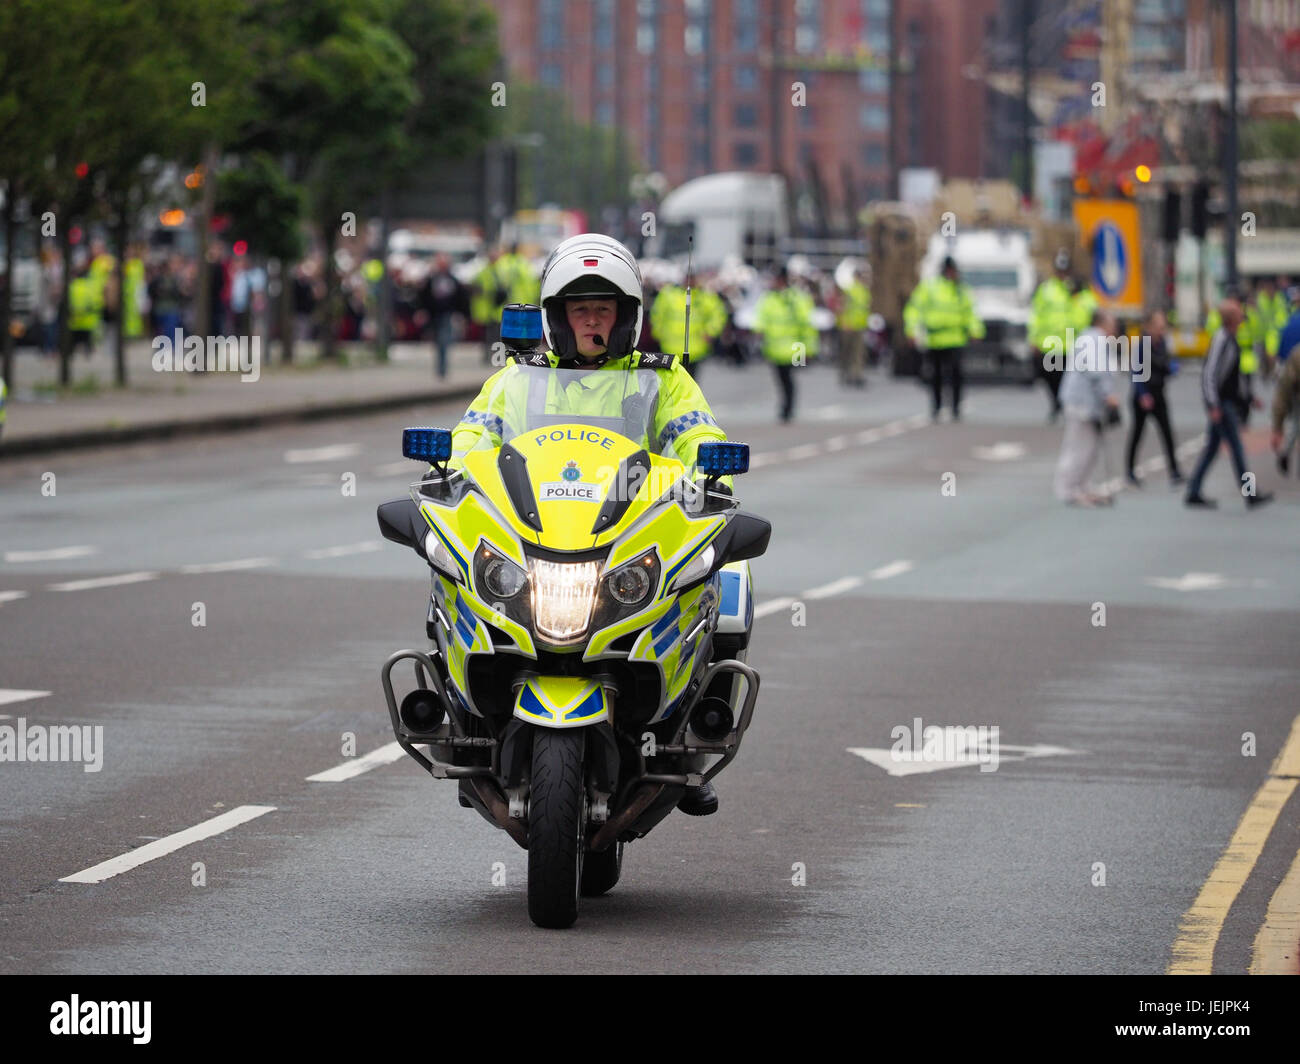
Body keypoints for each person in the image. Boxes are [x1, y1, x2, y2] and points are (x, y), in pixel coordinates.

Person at [451, 233, 729, 816]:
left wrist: (710, 465)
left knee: (729, 577)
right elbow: (475, 436)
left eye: (604, 309)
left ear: (627, 317)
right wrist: (452, 472)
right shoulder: (517, 379)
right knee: (451, 561)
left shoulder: (664, 379)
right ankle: (465, 718)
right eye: (581, 310)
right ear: (557, 318)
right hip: (544, 532)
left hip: (628, 534)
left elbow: (696, 433)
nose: (593, 321)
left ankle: (693, 744)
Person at [1184, 297, 1274, 510]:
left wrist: (1250, 397)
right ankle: (1250, 494)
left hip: (1226, 402)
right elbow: (1209, 374)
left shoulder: (1232, 339)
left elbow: (1235, 376)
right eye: (1239, 312)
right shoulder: (1222, 339)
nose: (1243, 314)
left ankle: (1193, 490)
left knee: (1212, 449)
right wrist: (1212, 404)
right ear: (1233, 318)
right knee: (1237, 449)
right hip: (1223, 404)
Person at [1053, 309, 1122, 507]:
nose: (1115, 328)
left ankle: (1082, 485)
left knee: (1090, 447)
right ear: (1102, 323)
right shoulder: (1094, 340)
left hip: (1087, 403)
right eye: (1112, 323)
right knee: (1079, 447)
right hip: (1081, 403)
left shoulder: (1094, 340)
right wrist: (1108, 394)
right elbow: (1095, 369)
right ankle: (1068, 488)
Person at [904, 256, 984, 421]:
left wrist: (976, 331)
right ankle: (937, 406)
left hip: (955, 339)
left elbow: (970, 313)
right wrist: (911, 330)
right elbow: (914, 309)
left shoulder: (961, 290)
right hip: (935, 340)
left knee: (956, 375)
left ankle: (955, 407)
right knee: (936, 376)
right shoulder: (930, 288)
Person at [1125, 309, 1184, 487]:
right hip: (1143, 396)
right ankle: (1129, 471)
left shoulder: (1162, 344)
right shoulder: (1143, 345)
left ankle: (1174, 471)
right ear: (1149, 326)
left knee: (1167, 433)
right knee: (1137, 434)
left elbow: (1167, 365)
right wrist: (1143, 394)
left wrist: (1172, 368)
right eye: (1158, 326)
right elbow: (1136, 372)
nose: (1161, 330)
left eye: (1162, 326)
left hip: (1158, 393)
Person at [754, 267, 818, 423]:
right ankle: (786, 406)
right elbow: (762, 317)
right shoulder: (769, 298)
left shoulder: (796, 298)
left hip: (795, 347)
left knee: (789, 377)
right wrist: (759, 330)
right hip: (775, 348)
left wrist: (808, 349)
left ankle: (788, 407)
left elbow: (806, 324)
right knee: (781, 377)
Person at [649, 278, 727, 379]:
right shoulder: (668, 294)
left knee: (690, 382)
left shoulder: (705, 296)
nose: (690, 280)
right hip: (670, 348)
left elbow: (718, 315)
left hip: (695, 349)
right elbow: (656, 315)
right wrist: (658, 333)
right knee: (671, 383)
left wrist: (710, 332)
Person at [1031, 251, 1075, 421]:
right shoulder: (1046, 289)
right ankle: (1057, 402)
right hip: (1049, 342)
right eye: (1060, 271)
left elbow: (1086, 308)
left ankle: (1062, 404)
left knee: (1066, 377)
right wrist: (1034, 337)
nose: (1062, 274)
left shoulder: (1074, 289)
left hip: (1070, 342)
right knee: (1048, 376)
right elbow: (1036, 314)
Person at [419, 254, 468, 379]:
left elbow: (460, 298)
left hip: (447, 315)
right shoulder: (431, 280)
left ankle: (442, 368)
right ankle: (440, 368)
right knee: (438, 342)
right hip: (434, 315)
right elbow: (424, 297)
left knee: (444, 341)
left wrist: (461, 314)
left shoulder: (452, 280)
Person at [834, 264, 871, 388]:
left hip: (860, 326)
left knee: (858, 352)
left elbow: (865, 309)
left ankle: (856, 375)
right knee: (847, 352)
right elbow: (843, 308)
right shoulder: (850, 291)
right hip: (848, 326)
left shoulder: (864, 291)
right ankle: (845, 372)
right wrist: (844, 322)